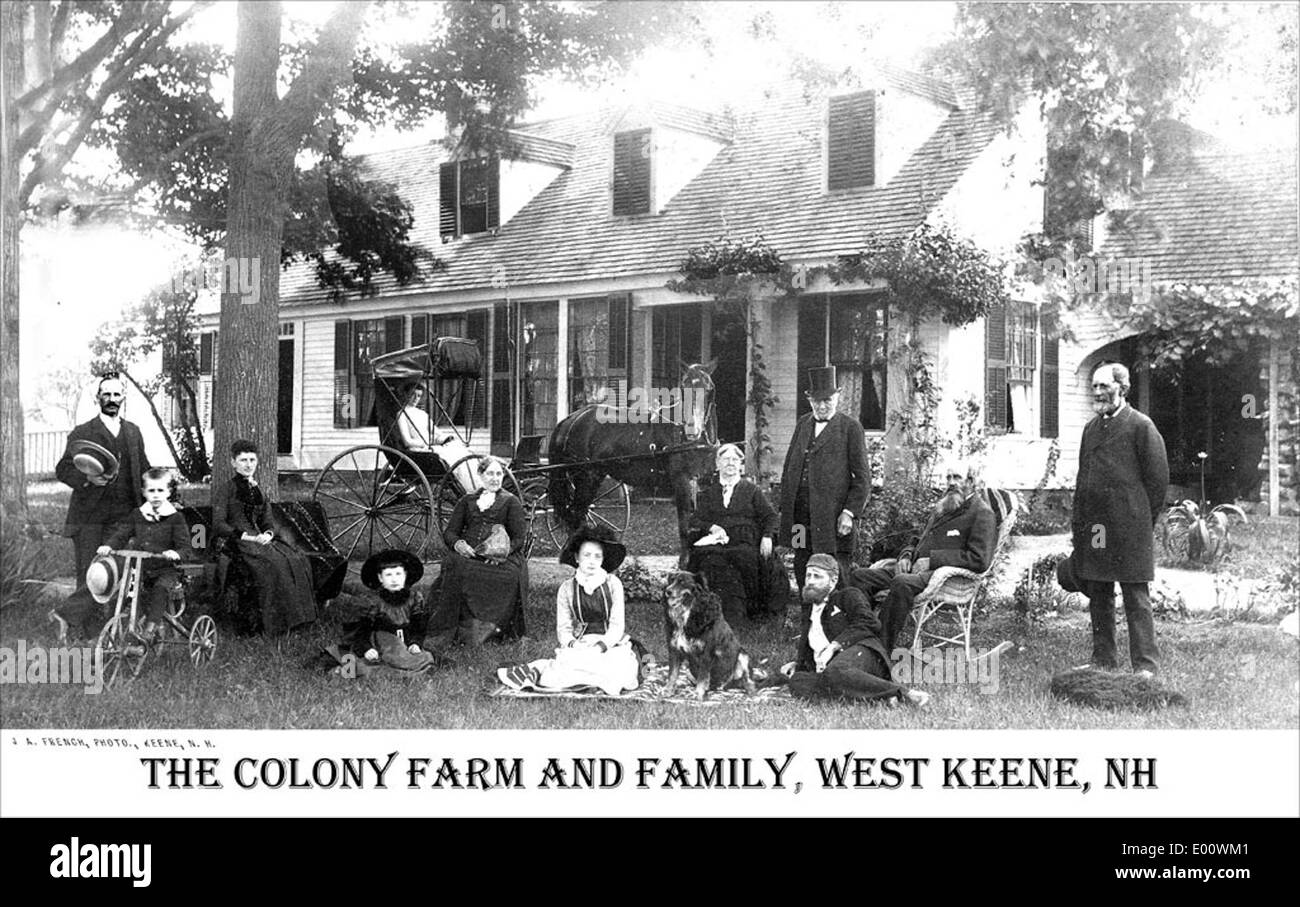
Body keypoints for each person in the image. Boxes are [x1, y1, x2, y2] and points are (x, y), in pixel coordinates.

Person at [1072, 362, 1169, 677]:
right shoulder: (1091, 429)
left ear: (1122, 388)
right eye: (1095, 387)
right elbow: (1082, 479)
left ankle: (1145, 665)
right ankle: (1103, 659)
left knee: (1135, 595)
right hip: (1098, 528)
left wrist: (1141, 520)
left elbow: (1157, 482)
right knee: (1099, 591)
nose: (1098, 393)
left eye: (1104, 386)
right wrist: (1080, 525)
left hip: (1130, 526)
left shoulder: (1141, 426)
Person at [850, 462, 998, 652]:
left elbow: (979, 559)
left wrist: (933, 560)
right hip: (914, 569)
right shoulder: (947, 504)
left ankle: (880, 648)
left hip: (940, 577)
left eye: (957, 478)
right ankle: (862, 632)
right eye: (949, 477)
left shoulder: (981, 513)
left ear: (970, 481)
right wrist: (905, 556)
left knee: (902, 583)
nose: (951, 483)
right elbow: (918, 539)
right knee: (859, 577)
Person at [52, 375, 153, 640]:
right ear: (97, 398)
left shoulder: (133, 431)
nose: (111, 400)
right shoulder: (83, 432)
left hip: (125, 514)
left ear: (123, 399)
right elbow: (63, 469)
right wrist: (87, 479)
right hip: (89, 517)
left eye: (116, 395)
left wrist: (161, 489)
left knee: (117, 569)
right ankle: (85, 630)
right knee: (91, 571)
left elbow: (143, 468)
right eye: (106, 395)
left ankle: (96, 622)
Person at [496, 526, 639, 696]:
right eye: (586, 555)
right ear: (577, 557)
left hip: (610, 645)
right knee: (557, 673)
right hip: (581, 644)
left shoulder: (613, 584)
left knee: (620, 671)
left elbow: (617, 626)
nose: (592, 561)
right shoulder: (567, 588)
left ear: (603, 559)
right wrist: (574, 644)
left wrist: (599, 647)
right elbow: (564, 629)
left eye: (597, 556)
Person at [785, 554, 929, 706]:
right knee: (797, 680)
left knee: (835, 672)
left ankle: (905, 694)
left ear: (833, 581)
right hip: (833, 669)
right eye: (808, 576)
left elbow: (870, 622)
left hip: (864, 653)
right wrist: (797, 663)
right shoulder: (809, 612)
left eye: (817, 576)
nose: (810, 581)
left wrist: (835, 645)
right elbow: (810, 648)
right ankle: (882, 698)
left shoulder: (848, 596)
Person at [212, 439, 317, 635]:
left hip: (259, 540)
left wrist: (268, 534)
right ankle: (276, 625)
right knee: (273, 563)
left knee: (296, 558)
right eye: (243, 460)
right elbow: (219, 524)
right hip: (235, 541)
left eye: (252, 460)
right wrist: (246, 537)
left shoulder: (257, 489)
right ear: (233, 463)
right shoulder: (226, 489)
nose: (248, 464)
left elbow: (268, 521)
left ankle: (300, 619)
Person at [779, 365, 871, 588]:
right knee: (801, 560)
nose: (821, 406)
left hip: (832, 516)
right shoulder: (803, 423)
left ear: (837, 397)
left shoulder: (851, 428)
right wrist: (786, 508)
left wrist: (849, 513)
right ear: (809, 399)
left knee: (833, 566)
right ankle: (807, 616)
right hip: (800, 514)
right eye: (816, 401)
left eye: (827, 400)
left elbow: (863, 478)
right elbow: (789, 466)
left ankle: (835, 617)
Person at [426, 455, 529, 646]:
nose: (495, 478)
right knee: (456, 566)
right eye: (490, 473)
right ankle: (459, 626)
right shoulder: (467, 500)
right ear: (481, 475)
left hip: (501, 557)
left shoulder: (511, 501)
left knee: (507, 574)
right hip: (470, 554)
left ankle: (491, 627)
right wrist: (459, 544)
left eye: (499, 474)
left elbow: (519, 539)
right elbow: (450, 532)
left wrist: (500, 553)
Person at [686, 443, 780, 627]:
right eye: (726, 459)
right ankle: (708, 615)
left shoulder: (751, 490)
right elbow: (695, 521)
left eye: (735, 459)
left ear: (741, 465)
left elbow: (770, 517)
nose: (730, 463)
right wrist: (712, 527)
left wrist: (767, 536)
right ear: (717, 464)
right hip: (716, 542)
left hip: (744, 541)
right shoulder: (708, 493)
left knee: (743, 558)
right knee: (709, 561)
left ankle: (743, 614)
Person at [91, 468, 190, 637]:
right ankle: (109, 633)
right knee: (122, 592)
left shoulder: (175, 518)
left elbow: (186, 547)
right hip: (140, 568)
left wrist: (175, 553)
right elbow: (122, 534)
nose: (156, 495)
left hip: (166, 570)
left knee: (160, 589)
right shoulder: (138, 514)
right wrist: (108, 546)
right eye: (151, 491)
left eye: (160, 490)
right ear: (144, 492)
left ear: (169, 492)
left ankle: (150, 630)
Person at [331, 549, 436, 675]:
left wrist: (415, 643)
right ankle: (398, 666)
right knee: (368, 663)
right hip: (383, 644)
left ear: (405, 576)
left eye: (398, 574)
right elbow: (362, 630)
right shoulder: (374, 602)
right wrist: (367, 649)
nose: (394, 580)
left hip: (406, 643)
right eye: (388, 575)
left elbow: (418, 626)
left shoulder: (414, 598)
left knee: (424, 657)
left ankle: (409, 662)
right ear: (380, 578)